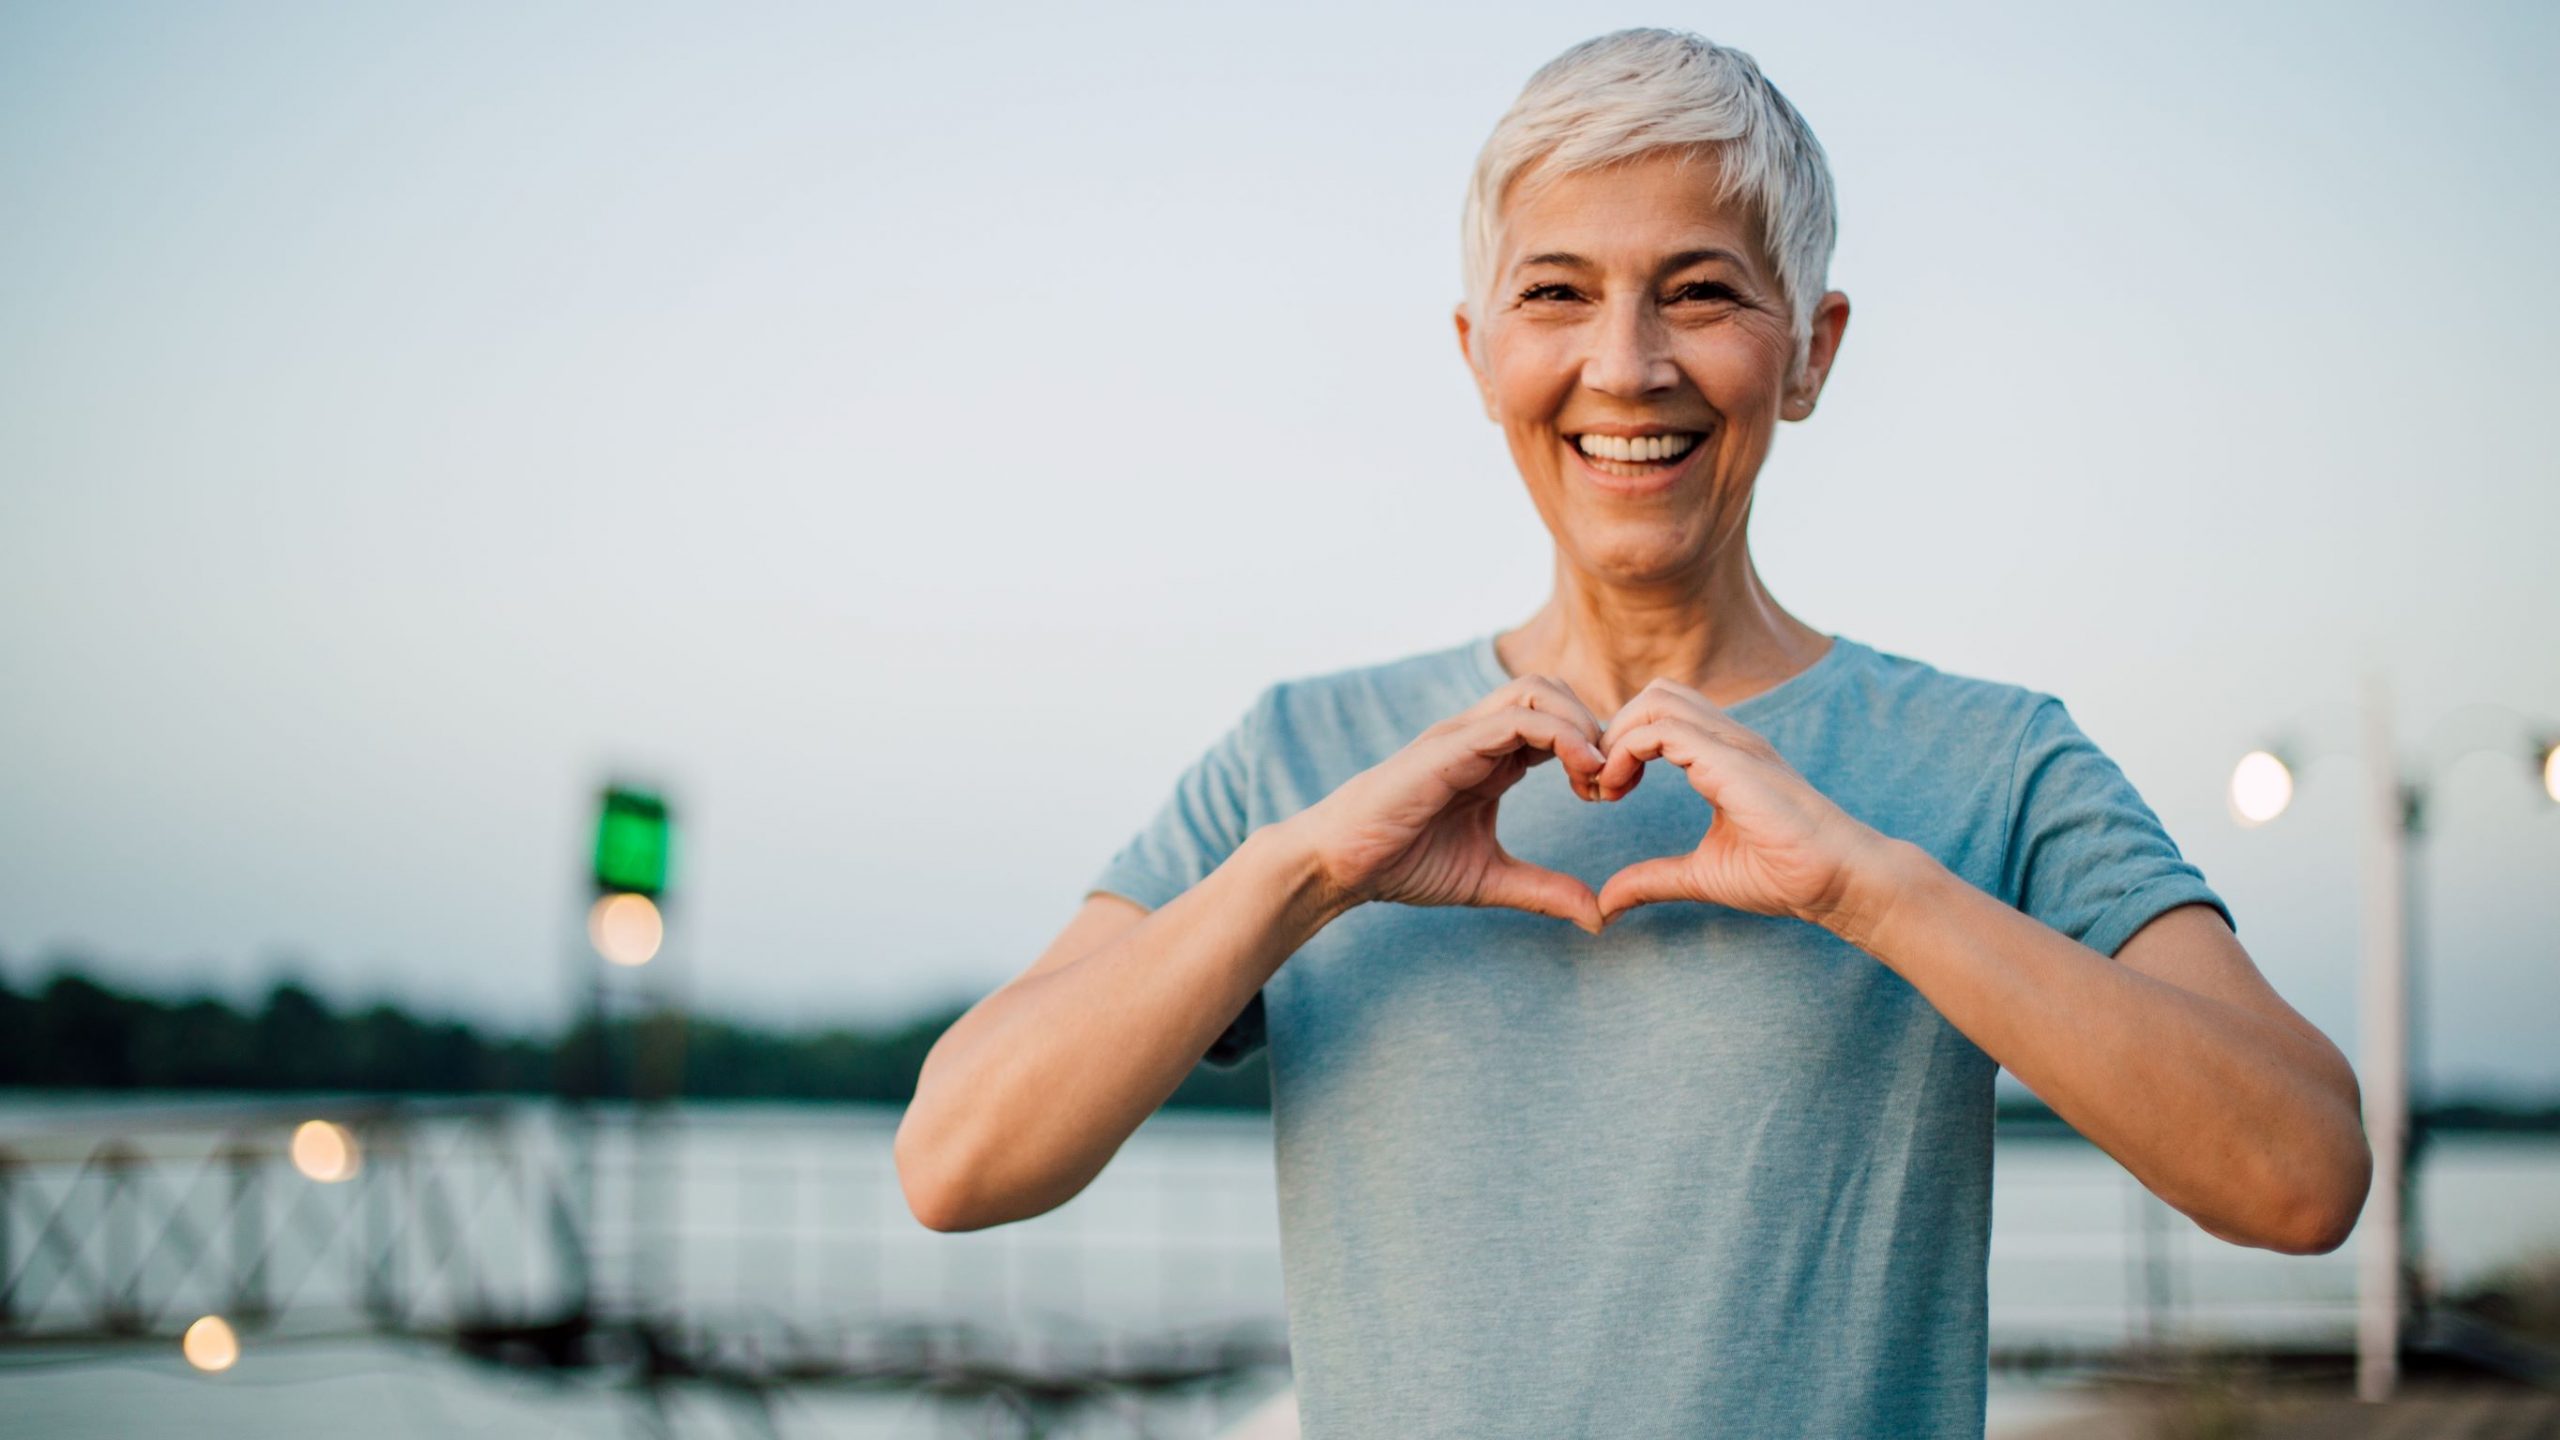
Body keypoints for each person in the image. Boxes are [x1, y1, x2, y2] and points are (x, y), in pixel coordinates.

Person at [893, 26, 2370, 1439]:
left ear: (1811, 350)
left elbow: (2302, 1176)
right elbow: (956, 1161)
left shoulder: (1996, 763)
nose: (1628, 364)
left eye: (1702, 291)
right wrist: (1308, 877)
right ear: (1478, 352)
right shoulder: (1301, 758)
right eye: (1556, 294)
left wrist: (1872, 889)